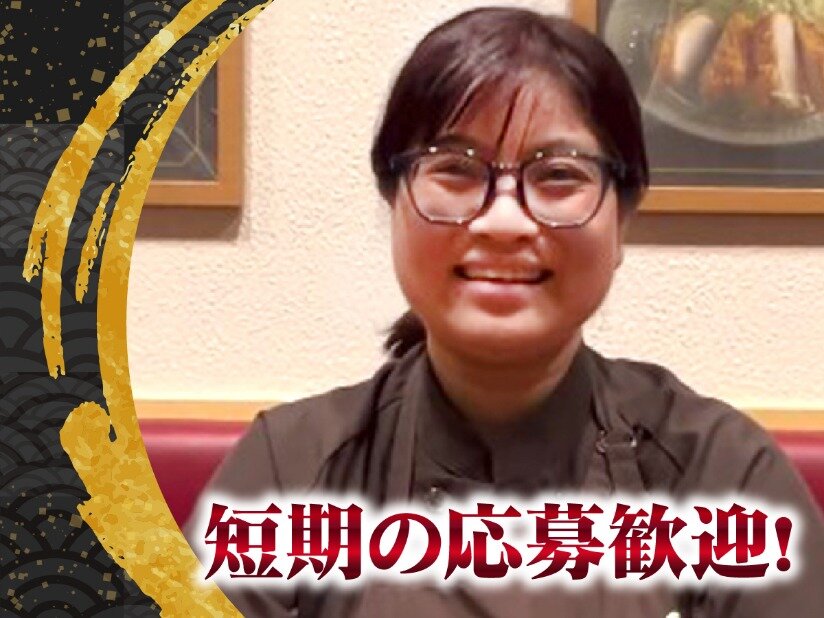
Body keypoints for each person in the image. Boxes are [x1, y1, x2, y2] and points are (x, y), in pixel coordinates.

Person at [190, 7, 824, 617]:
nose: (503, 221)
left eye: (558, 176)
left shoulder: (724, 477)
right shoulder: (289, 471)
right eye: (454, 170)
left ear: (621, 221)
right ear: (394, 203)